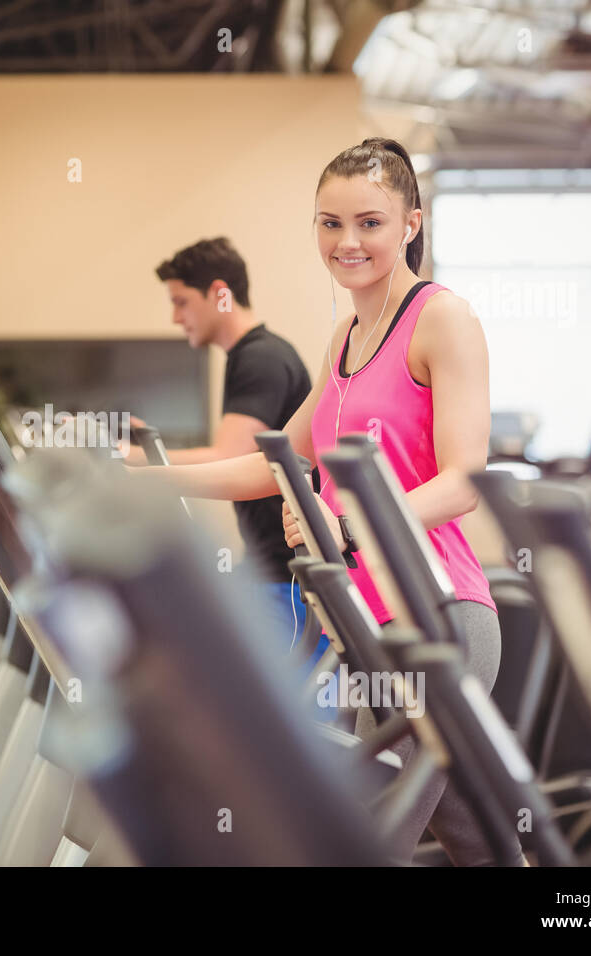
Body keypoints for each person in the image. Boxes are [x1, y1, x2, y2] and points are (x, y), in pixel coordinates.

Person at [131, 139, 523, 867]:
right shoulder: (346, 336)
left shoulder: (443, 318)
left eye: (370, 222)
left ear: (410, 223)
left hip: (439, 620)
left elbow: (465, 478)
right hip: (361, 622)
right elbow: (277, 459)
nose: (348, 242)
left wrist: (351, 523)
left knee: (357, 840)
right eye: (329, 223)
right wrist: (148, 481)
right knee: (475, 838)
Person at [122, 237, 316, 653]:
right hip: (267, 569)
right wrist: (150, 450)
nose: (176, 318)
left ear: (219, 294)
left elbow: (229, 458)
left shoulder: (260, 358)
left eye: (182, 302)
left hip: (289, 581)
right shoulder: (249, 356)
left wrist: (136, 463)